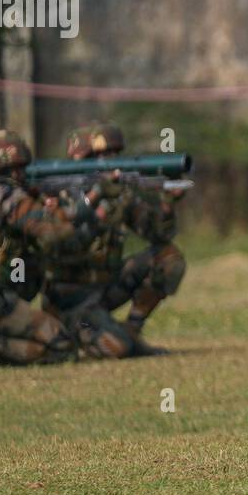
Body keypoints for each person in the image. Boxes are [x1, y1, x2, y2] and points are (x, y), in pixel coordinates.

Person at [0, 129, 112, 370]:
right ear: (11, 166)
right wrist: (93, 199)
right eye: (21, 169)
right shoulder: (2, 192)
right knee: (63, 345)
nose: (24, 175)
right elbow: (53, 232)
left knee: (27, 261)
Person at [40, 122, 185, 358]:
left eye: (116, 155)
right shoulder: (57, 196)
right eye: (104, 156)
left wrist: (167, 203)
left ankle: (132, 330)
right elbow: (62, 245)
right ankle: (77, 338)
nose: (113, 164)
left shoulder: (118, 194)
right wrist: (95, 208)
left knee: (168, 259)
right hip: (70, 302)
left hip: (104, 289)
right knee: (118, 348)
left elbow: (158, 235)